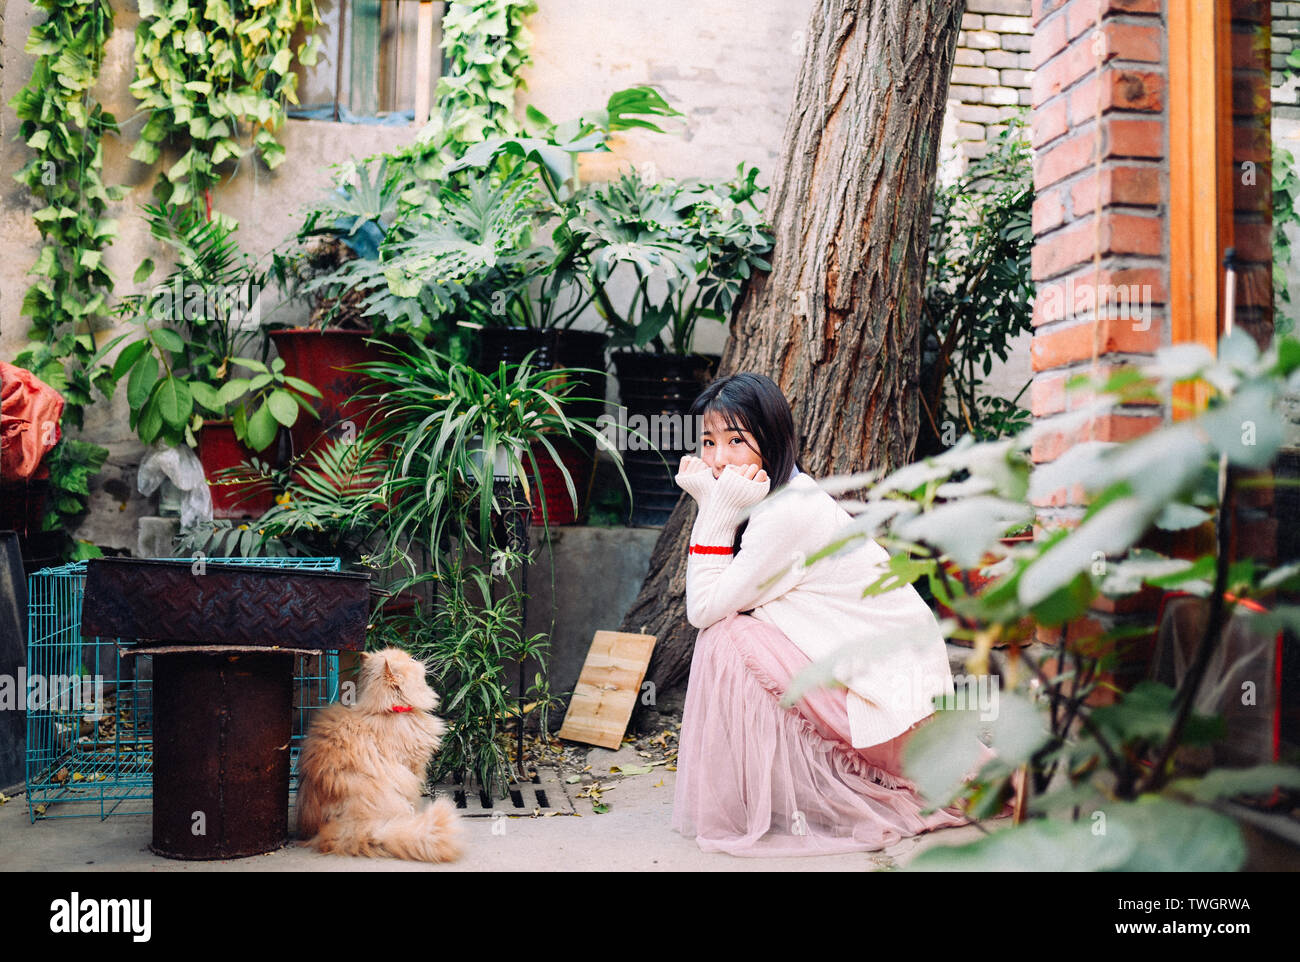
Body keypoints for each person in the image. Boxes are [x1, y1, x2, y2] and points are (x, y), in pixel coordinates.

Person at [670, 372, 978, 856]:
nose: (718, 458)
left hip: (887, 706)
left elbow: (702, 608)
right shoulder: (780, 496)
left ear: (772, 440)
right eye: (708, 442)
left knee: (724, 637)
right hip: (880, 690)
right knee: (728, 633)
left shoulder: (787, 512)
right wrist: (720, 502)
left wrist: (713, 507)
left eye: (736, 440)